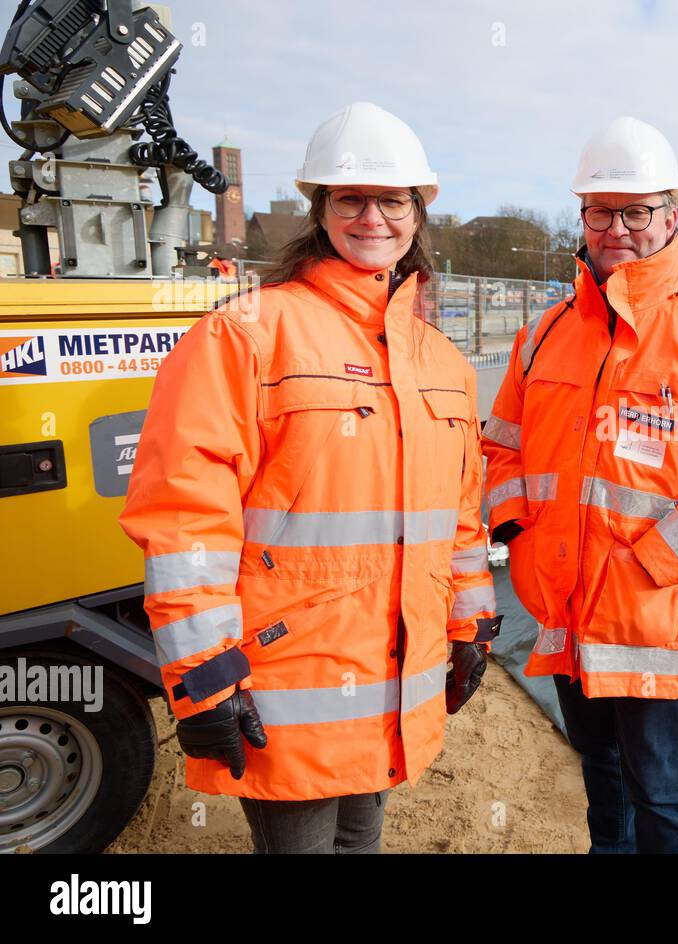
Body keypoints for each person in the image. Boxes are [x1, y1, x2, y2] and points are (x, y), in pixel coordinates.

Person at [119, 102, 499, 854]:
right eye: (348, 198)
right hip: (288, 677)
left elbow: (457, 516)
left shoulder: (442, 363)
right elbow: (184, 515)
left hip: (396, 670)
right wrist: (203, 672)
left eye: (391, 200)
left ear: (417, 215)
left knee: (362, 837)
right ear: (319, 209)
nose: (371, 217)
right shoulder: (246, 335)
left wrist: (471, 621)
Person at [481, 116, 678, 853]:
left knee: (660, 795)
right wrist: (520, 538)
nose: (616, 227)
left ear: (671, 215)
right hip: (560, 609)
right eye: (599, 210)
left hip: (648, 620)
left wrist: (652, 563)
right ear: (581, 215)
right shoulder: (547, 332)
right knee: (601, 782)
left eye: (636, 211)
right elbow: (499, 448)